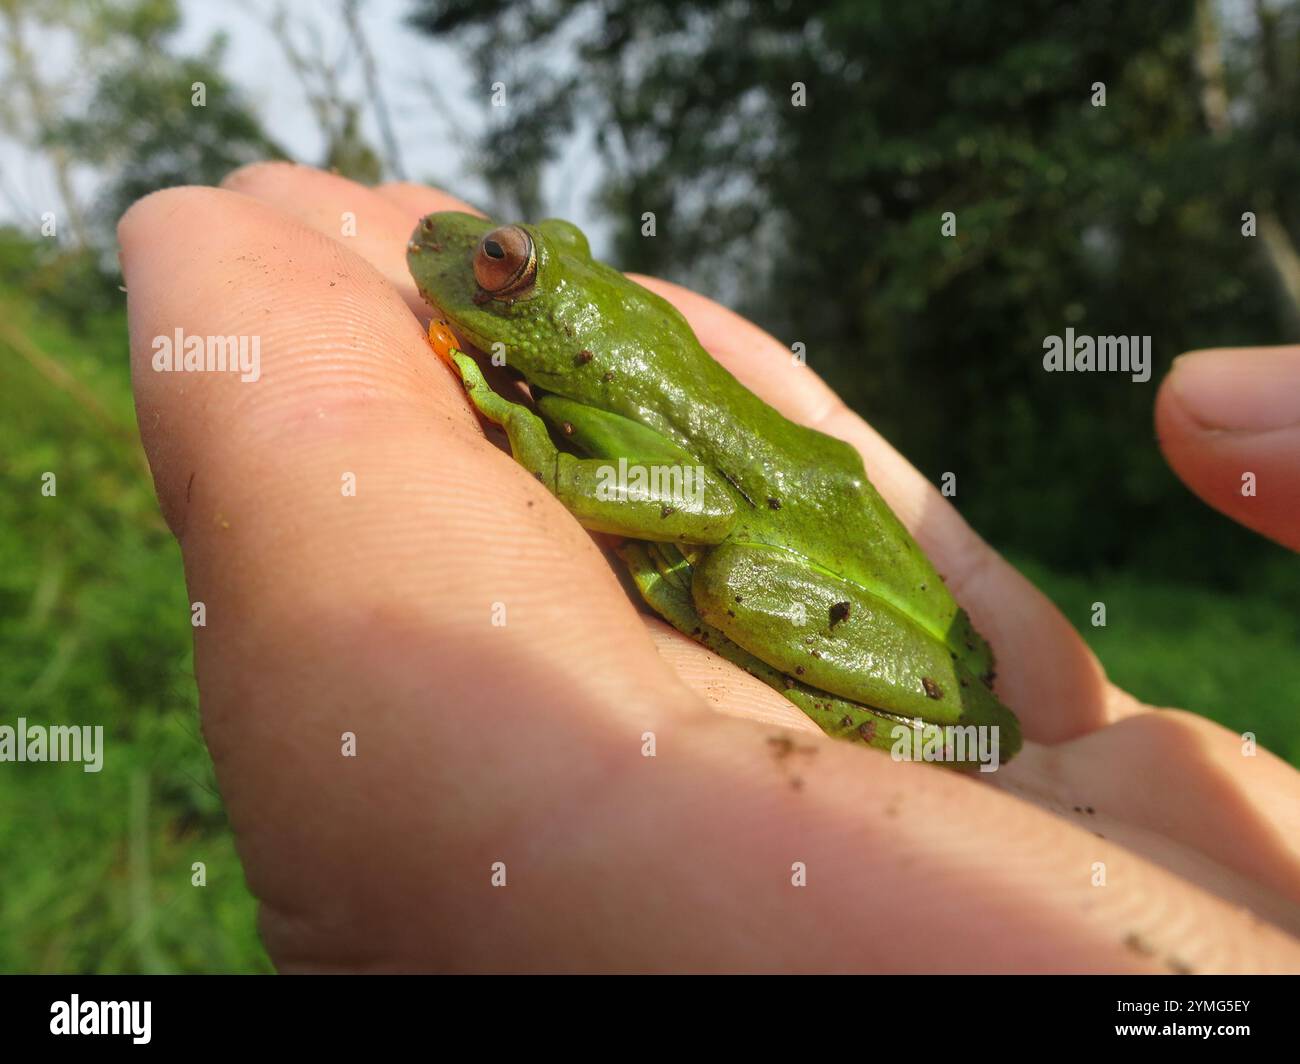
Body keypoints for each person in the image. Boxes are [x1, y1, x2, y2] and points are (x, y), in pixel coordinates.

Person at [117, 161, 1300, 972]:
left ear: (555, 317)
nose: (454, 262)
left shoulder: (593, 364)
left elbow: (675, 495)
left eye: (499, 271)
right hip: (876, 583)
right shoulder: (598, 350)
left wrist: (529, 433)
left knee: (728, 579)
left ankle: (858, 701)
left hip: (876, 635)